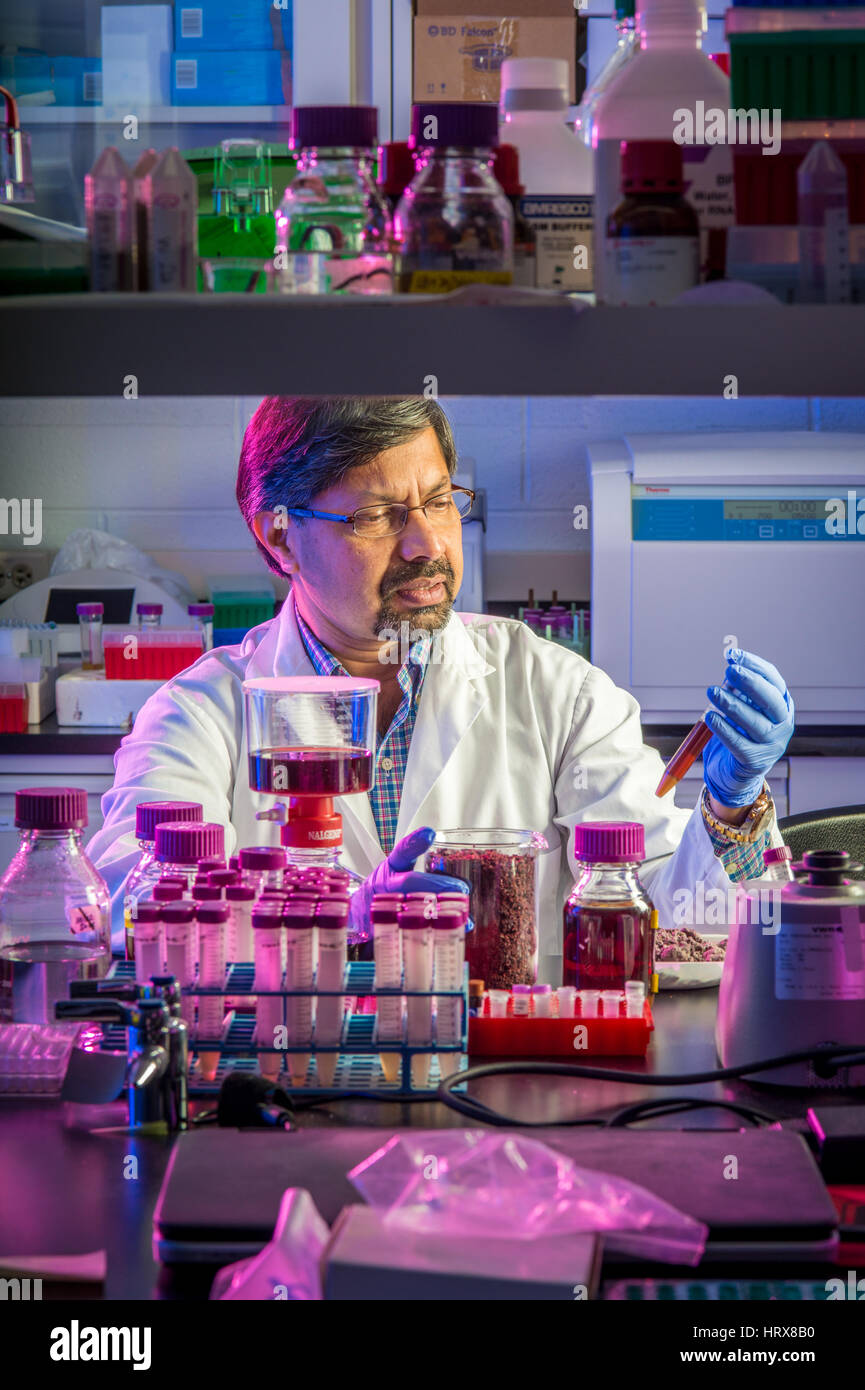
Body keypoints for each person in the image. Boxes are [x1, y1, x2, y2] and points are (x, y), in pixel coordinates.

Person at [89, 396, 795, 975]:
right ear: (278, 539)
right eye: (374, 516)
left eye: (438, 501)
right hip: (285, 1088)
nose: (426, 543)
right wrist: (351, 918)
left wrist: (728, 811)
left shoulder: (556, 691)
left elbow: (677, 934)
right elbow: (133, 919)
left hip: (516, 1084)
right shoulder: (198, 714)